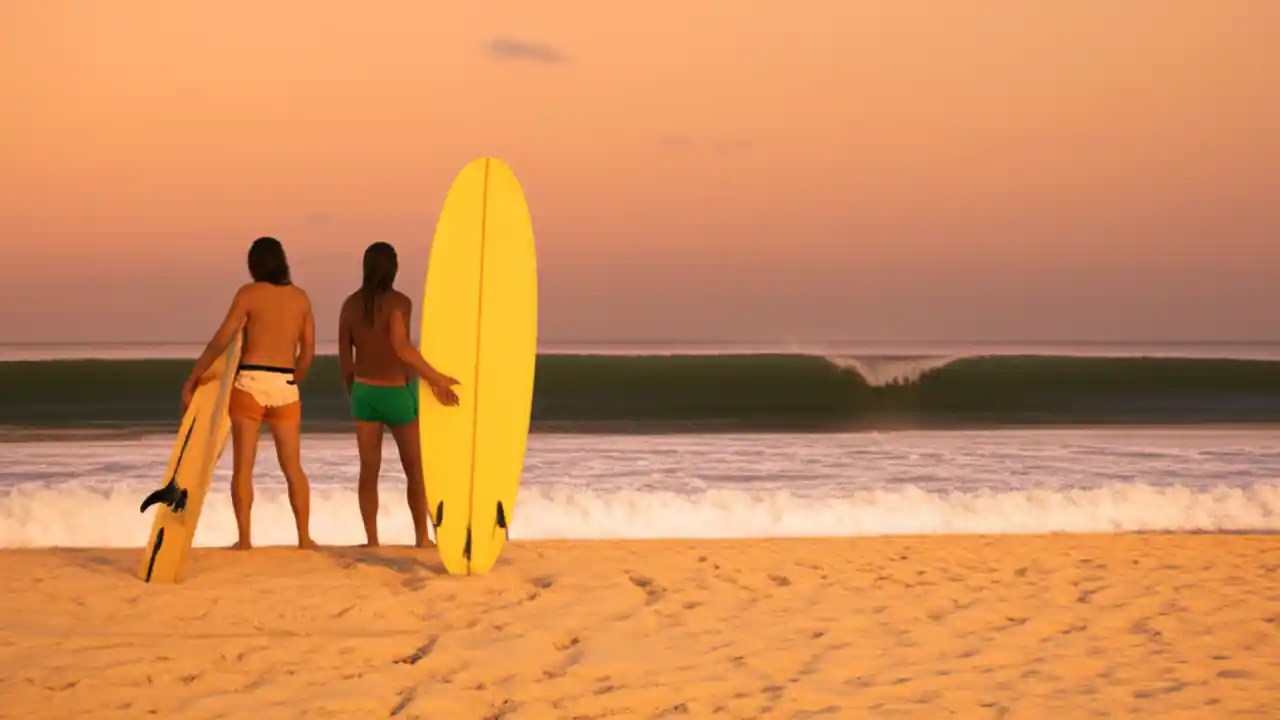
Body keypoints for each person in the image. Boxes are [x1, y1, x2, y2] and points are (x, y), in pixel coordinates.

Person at [182, 236, 317, 550]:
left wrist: (195, 375)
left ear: (254, 264)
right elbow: (308, 350)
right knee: (293, 467)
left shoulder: (249, 294)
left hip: (250, 384)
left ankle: (244, 539)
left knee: (243, 467)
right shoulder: (301, 299)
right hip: (285, 385)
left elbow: (222, 338)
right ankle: (304, 538)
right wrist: (296, 378)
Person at [338, 241, 459, 548]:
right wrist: (437, 378)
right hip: (396, 395)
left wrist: (354, 392)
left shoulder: (350, 305)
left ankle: (372, 540)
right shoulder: (399, 302)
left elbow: (344, 357)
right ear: (393, 269)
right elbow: (401, 348)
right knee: (415, 471)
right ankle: (421, 538)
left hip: (364, 393)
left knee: (369, 470)